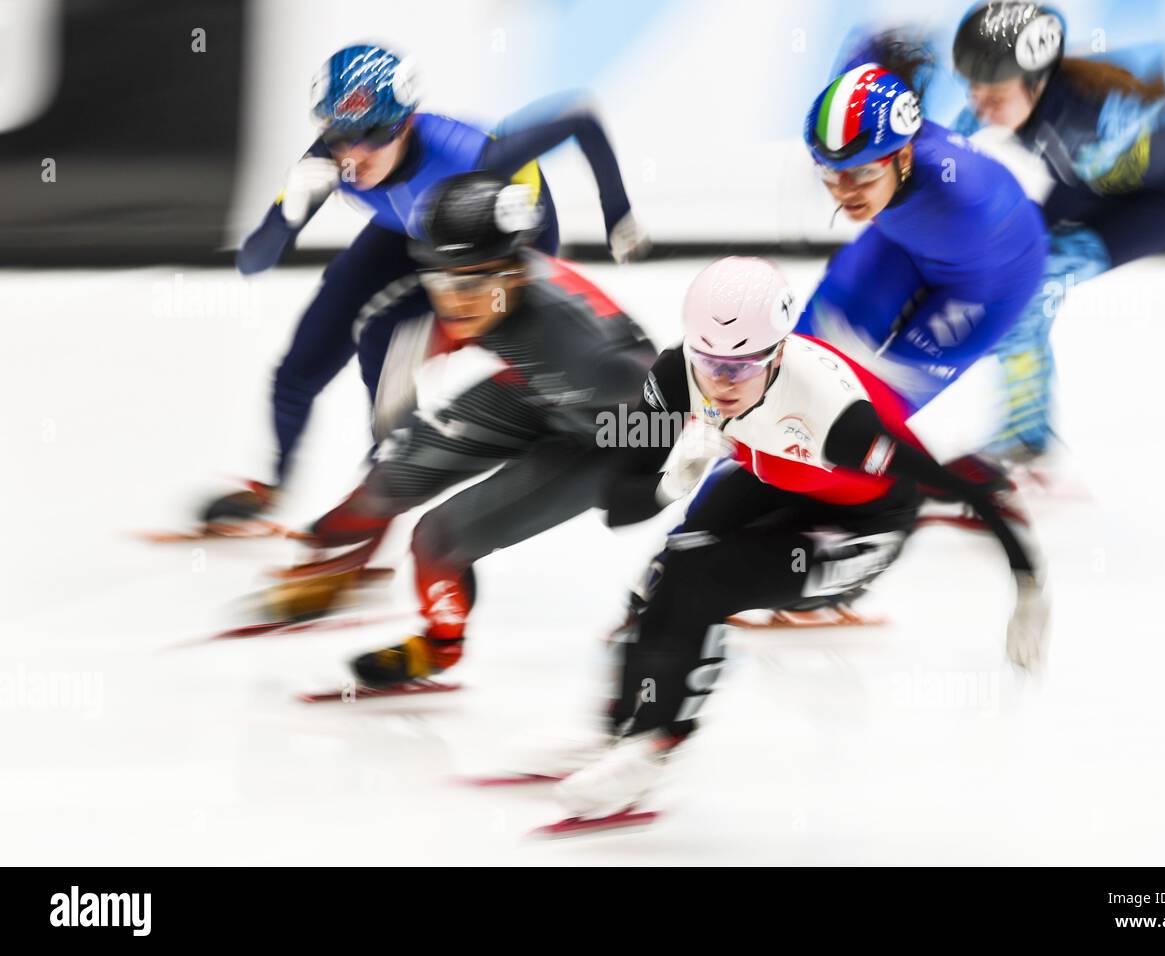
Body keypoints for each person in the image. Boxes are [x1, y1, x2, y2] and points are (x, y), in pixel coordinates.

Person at [543, 257, 1048, 823]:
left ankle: (657, 745)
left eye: (742, 367)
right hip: (773, 471)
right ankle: (622, 731)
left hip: (864, 524)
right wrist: (666, 487)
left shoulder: (838, 418)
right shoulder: (673, 377)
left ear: (779, 353)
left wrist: (1028, 579)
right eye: (709, 363)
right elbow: (616, 501)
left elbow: (961, 487)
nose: (721, 384)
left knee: (701, 580)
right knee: (659, 580)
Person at [202, 44, 649, 527]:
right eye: (339, 135)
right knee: (304, 357)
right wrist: (289, 213)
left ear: (407, 122)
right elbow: (253, 262)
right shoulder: (325, 162)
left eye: (373, 134)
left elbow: (580, 117)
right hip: (412, 228)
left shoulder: (469, 155)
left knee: (389, 341)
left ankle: (381, 492)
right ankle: (273, 489)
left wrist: (618, 214)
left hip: (495, 246)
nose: (355, 154)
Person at [254, 172, 657, 687]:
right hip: (536, 391)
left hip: (607, 438)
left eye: (469, 284)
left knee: (438, 539)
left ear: (516, 275)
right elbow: (419, 348)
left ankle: (440, 646)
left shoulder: (590, 353)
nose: (452, 301)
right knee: (391, 475)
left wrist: (655, 485)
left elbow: (689, 404)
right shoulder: (484, 289)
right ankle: (339, 565)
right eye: (439, 280)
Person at [950, 2, 1165, 457]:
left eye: (994, 96)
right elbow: (945, 145)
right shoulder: (1006, 100)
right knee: (1009, 264)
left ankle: (1026, 440)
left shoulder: (1103, 114)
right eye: (974, 91)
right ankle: (1020, 417)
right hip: (1084, 186)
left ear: (1036, 83)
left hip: (1156, 200)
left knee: (1037, 279)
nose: (981, 106)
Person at [795, 54, 1049, 449]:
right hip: (910, 243)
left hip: (993, 279)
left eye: (862, 173)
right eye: (828, 171)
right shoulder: (889, 167)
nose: (844, 190)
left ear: (906, 157)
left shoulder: (967, 198)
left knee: (866, 411)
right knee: (805, 356)